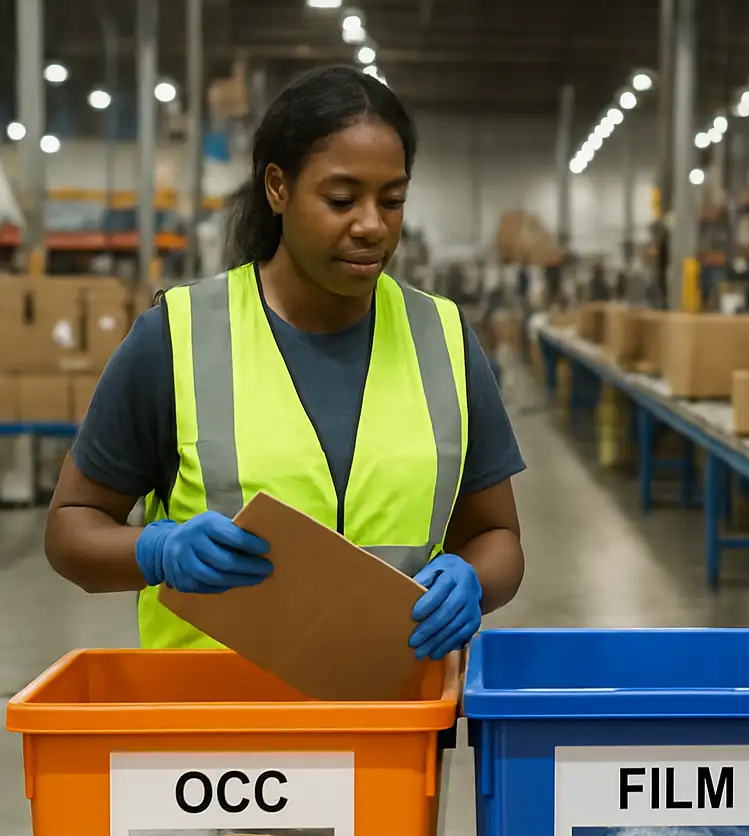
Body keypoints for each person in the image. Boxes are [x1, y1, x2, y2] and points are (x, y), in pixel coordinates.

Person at [45, 66, 526, 661]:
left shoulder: (444, 339)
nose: (372, 225)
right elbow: (71, 529)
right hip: (215, 734)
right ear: (278, 188)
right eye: (342, 200)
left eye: (393, 199)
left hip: (389, 718)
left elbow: (497, 536)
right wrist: (155, 551)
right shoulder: (177, 339)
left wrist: (472, 581)